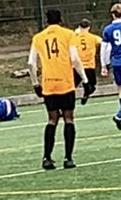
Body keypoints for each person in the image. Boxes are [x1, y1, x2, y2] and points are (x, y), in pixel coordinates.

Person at [30, 9, 89, 170]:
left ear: (46, 21)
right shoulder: (69, 34)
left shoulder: (38, 38)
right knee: (69, 119)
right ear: (61, 20)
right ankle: (68, 158)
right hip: (66, 83)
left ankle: (46, 158)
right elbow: (75, 59)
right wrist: (84, 80)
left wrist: (36, 83)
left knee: (52, 120)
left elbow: (31, 63)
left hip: (49, 84)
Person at [73, 19, 101, 105]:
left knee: (72, 86)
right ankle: (86, 93)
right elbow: (102, 41)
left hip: (76, 66)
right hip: (89, 65)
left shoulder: (74, 38)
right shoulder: (93, 37)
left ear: (79, 27)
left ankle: (66, 103)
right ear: (89, 27)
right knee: (92, 86)